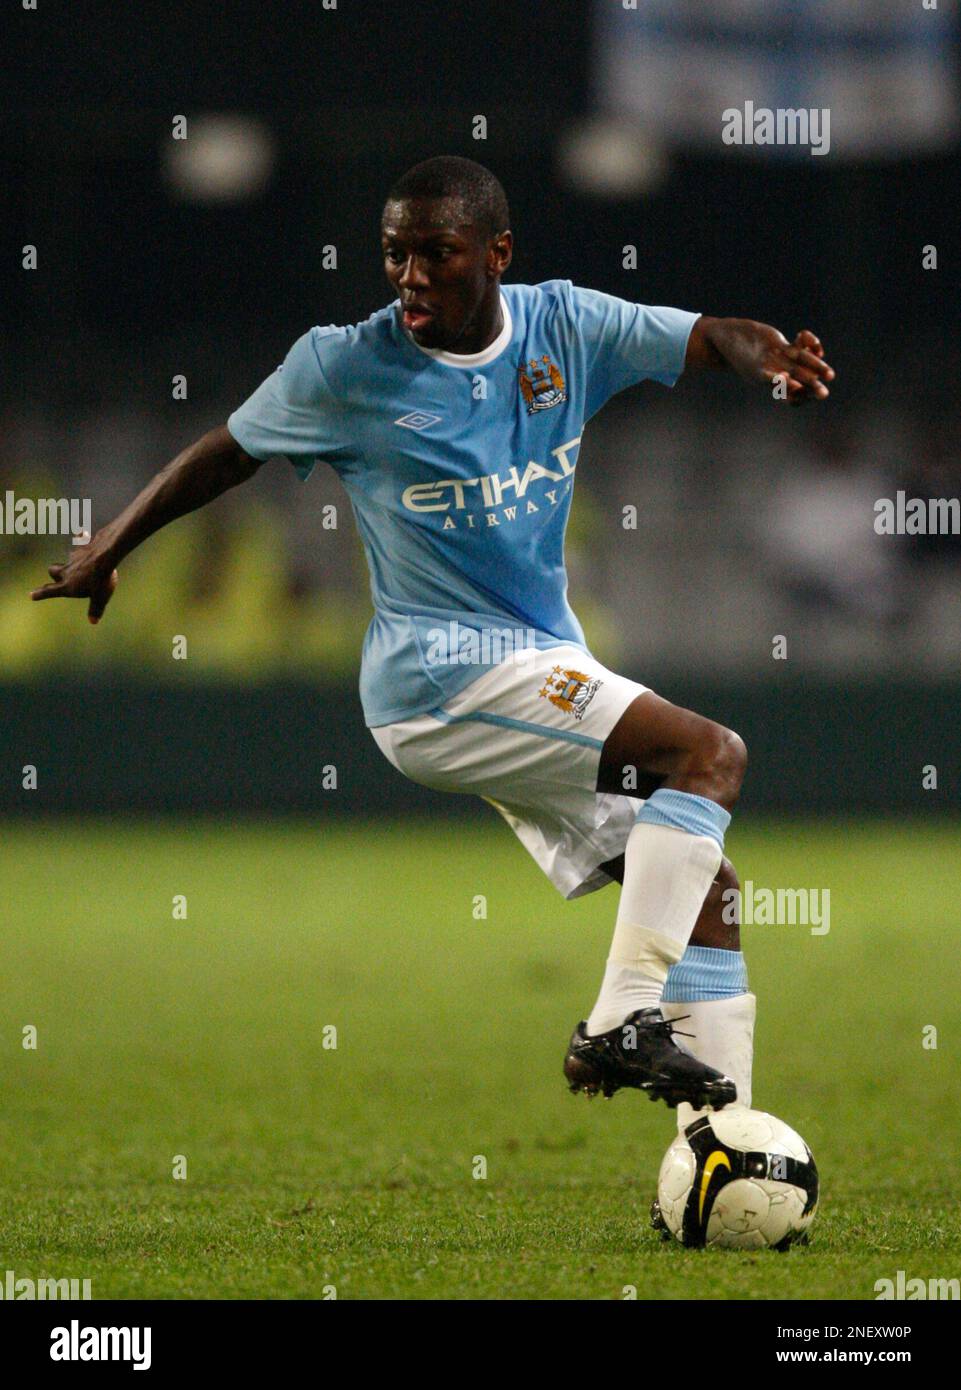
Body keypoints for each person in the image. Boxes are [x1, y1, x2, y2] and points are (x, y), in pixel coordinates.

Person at [32, 155, 834, 1129]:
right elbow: (227, 452)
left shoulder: (566, 326)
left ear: (496, 254)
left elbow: (711, 338)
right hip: (436, 676)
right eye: (394, 254)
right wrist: (114, 541)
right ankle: (620, 1019)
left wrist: (773, 363)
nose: (410, 275)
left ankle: (723, 1149)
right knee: (709, 754)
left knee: (704, 883)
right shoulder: (342, 364)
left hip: (539, 661)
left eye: (435, 254)